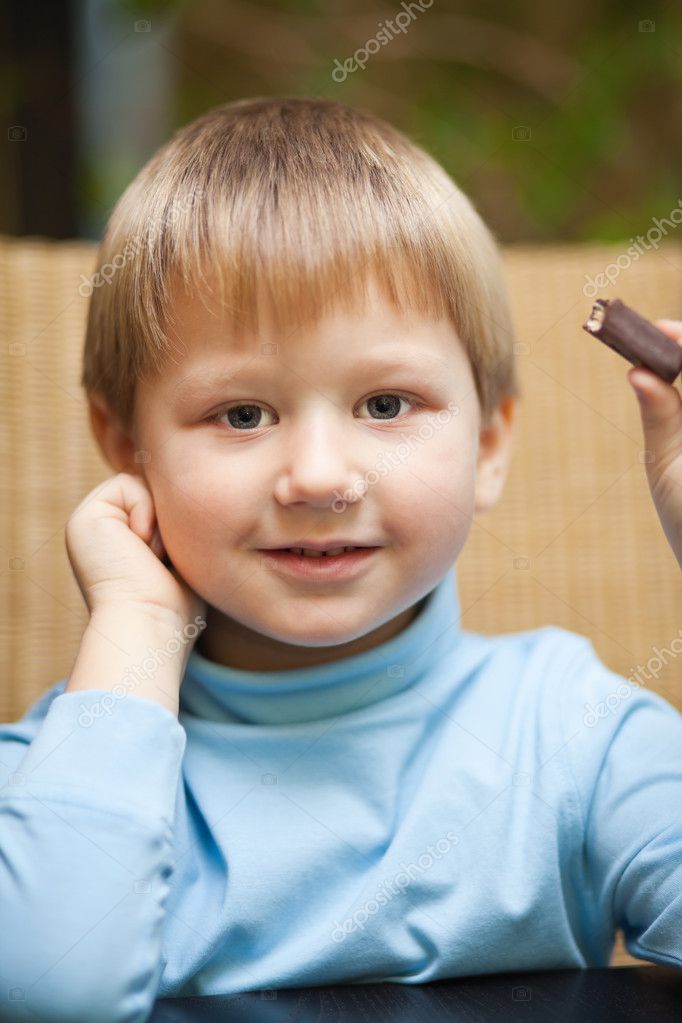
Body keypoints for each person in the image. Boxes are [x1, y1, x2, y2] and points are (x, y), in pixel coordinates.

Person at [1, 97, 681, 1023]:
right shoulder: (69, 770)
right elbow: (46, 993)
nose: (319, 477)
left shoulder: (576, 732)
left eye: (386, 404)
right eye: (242, 414)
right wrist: (138, 630)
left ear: (488, 445)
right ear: (128, 446)